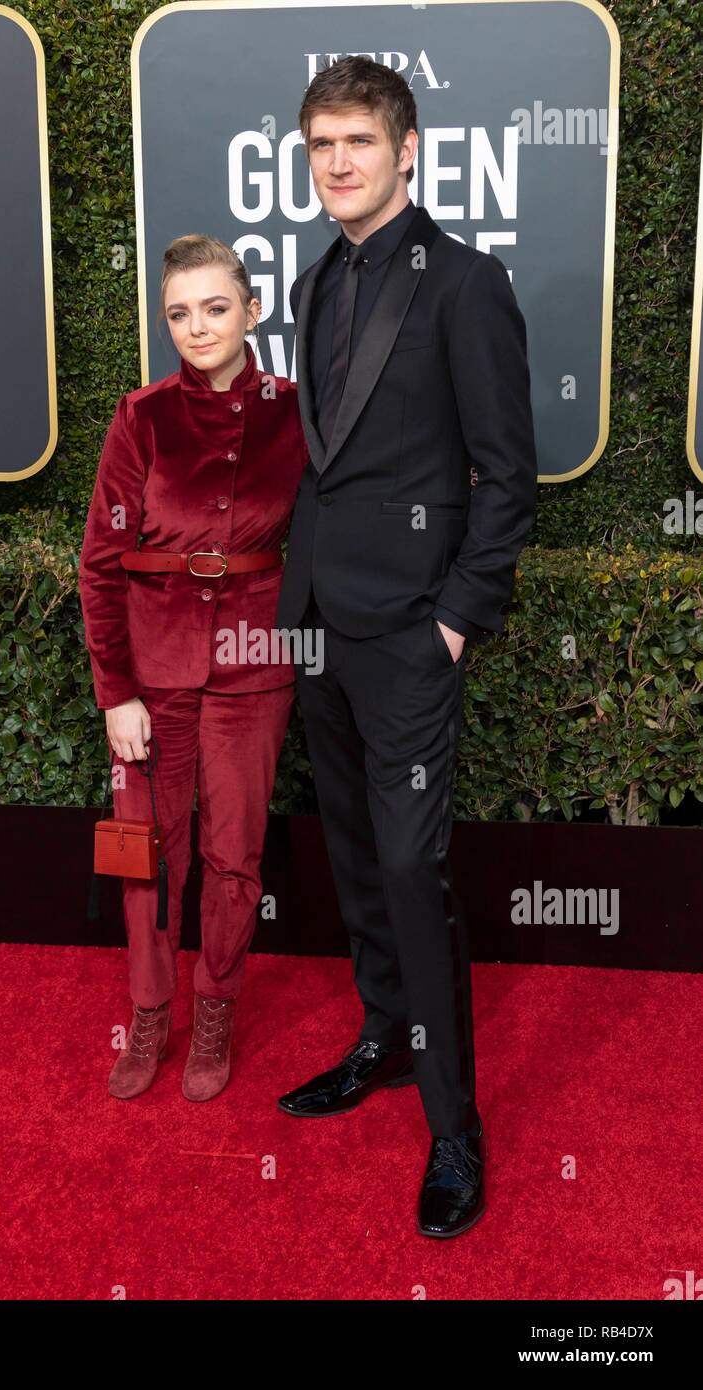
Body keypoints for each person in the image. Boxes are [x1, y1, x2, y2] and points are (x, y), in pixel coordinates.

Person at [275, 56, 538, 1237]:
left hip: (407, 637)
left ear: (406, 147)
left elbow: (506, 475)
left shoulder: (464, 285)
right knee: (347, 850)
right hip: (319, 625)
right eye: (320, 144)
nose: (336, 162)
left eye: (357, 143)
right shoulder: (314, 276)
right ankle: (382, 1036)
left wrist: (451, 622)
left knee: (408, 869)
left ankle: (452, 1128)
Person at [79, 235, 308, 1103]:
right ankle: (148, 1016)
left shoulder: (296, 411)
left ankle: (215, 1010)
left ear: (252, 311)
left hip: (256, 666)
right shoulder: (142, 416)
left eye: (216, 308)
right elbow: (99, 563)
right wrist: (118, 694)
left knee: (232, 856)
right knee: (146, 856)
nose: (197, 327)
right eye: (180, 312)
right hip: (152, 673)